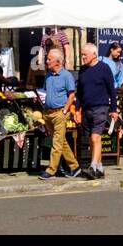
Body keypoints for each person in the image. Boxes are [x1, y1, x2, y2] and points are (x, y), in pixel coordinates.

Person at [77, 43, 119, 180]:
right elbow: (80, 92)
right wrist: (77, 109)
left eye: (85, 55)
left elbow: (111, 90)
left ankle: (93, 166)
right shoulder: (82, 70)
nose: (83, 57)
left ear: (94, 54)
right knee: (91, 139)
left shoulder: (104, 68)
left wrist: (113, 109)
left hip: (101, 107)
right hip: (86, 108)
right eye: (82, 54)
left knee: (96, 137)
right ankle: (100, 167)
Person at [38, 48, 79, 180]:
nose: (47, 61)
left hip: (60, 113)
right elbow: (44, 91)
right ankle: (75, 167)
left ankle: (51, 170)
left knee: (56, 143)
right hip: (48, 113)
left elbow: (72, 95)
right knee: (61, 141)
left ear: (57, 61)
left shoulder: (66, 76)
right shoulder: (48, 75)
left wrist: (65, 110)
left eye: (49, 59)